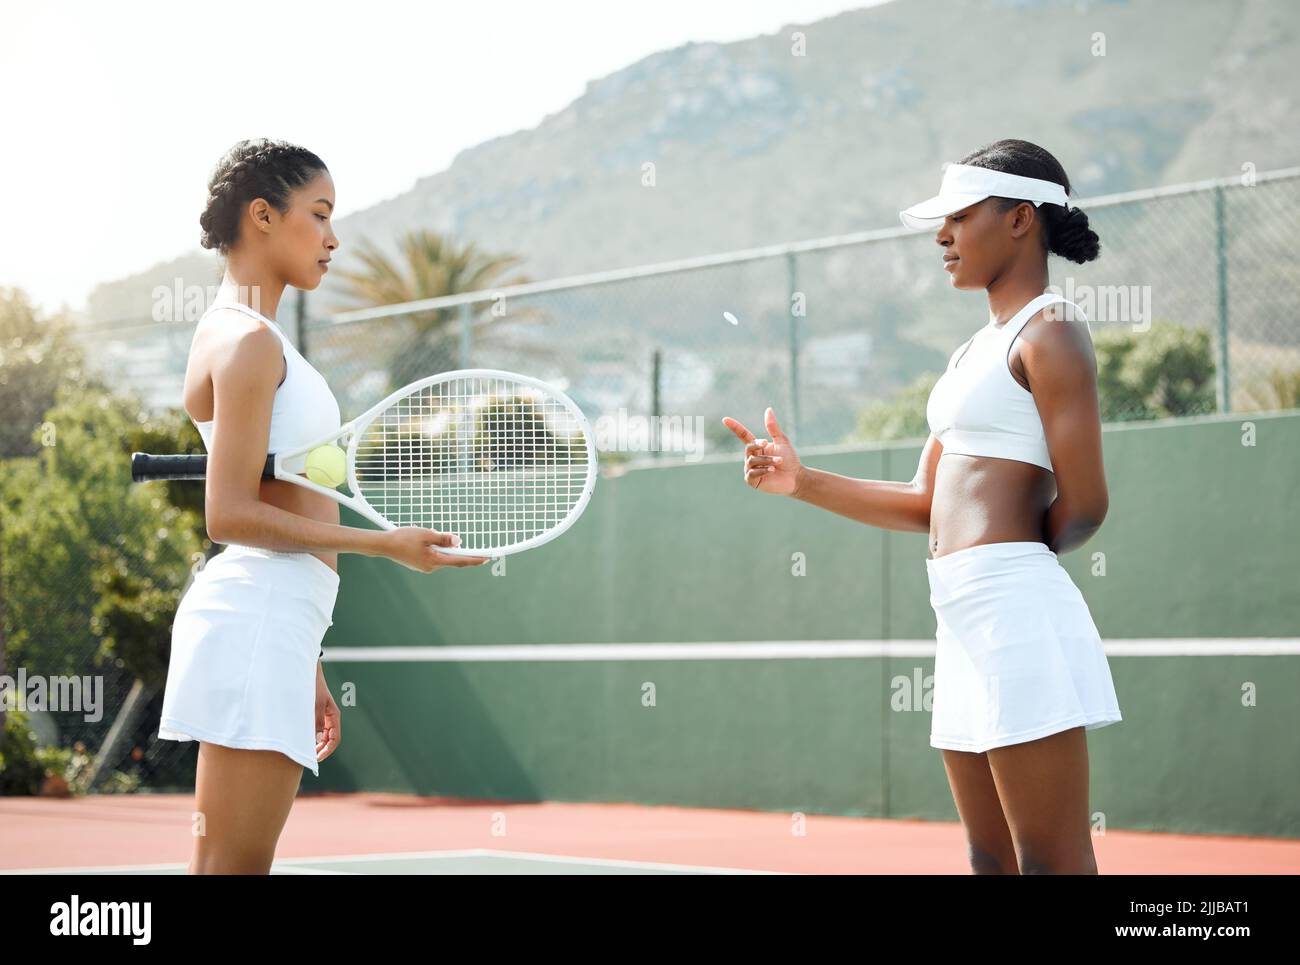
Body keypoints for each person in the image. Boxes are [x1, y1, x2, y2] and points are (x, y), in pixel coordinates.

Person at [723, 139, 1121, 875]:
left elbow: (1087, 504)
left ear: (1020, 220)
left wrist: (1008, 560)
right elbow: (923, 502)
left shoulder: (1053, 330)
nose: (941, 235)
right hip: (960, 616)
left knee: (1052, 861)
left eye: (960, 216)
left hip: (1013, 608)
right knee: (989, 859)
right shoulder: (970, 354)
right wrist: (801, 480)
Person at [159, 138, 488, 874]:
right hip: (259, 612)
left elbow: (270, 497)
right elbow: (231, 514)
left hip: (276, 618)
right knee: (234, 867)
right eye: (320, 214)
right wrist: (386, 545)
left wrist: (307, 658)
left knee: (227, 866)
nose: (334, 238)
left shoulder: (248, 333)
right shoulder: (247, 341)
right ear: (264, 216)